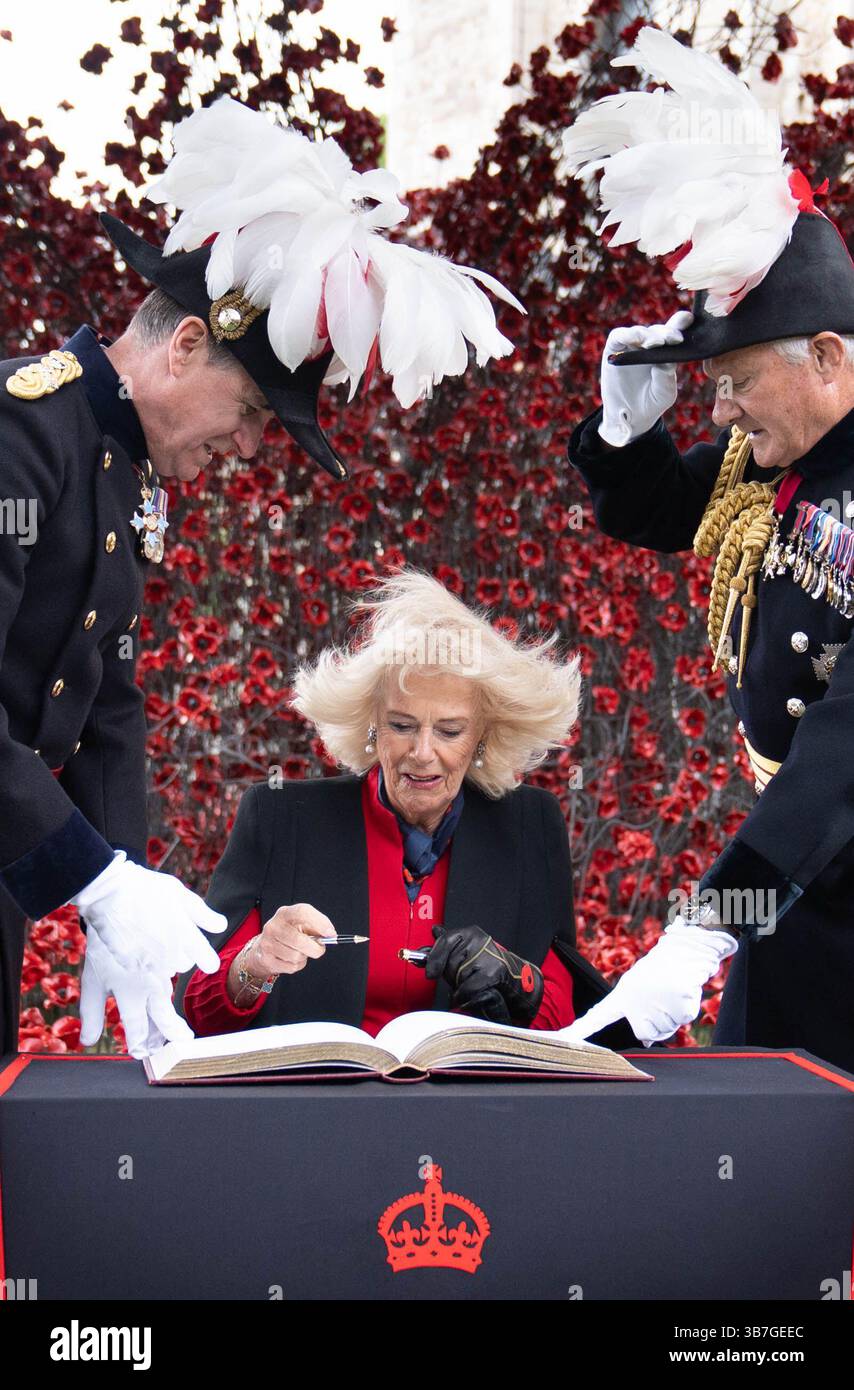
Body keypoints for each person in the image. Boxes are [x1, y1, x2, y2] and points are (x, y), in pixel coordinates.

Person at [0, 96, 521, 1060]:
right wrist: (95, 883)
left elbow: (108, 708)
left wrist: (114, 883)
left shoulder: (115, 467)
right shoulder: (22, 435)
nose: (246, 446)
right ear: (186, 343)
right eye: (246, 410)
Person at [560, 28, 854, 1070]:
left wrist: (709, 918)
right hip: (796, 880)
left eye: (735, 380)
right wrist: (621, 431)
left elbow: (839, 752)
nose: (719, 409)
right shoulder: (770, 458)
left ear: (825, 356)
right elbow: (653, 510)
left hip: (809, 848)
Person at [177, 570, 632, 1046]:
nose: (422, 752)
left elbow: (565, 1017)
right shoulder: (280, 819)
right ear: (372, 725)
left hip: (473, 1105)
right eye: (401, 725)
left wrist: (517, 980)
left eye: (450, 731)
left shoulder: (528, 826)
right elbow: (196, 1008)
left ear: (482, 737)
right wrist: (256, 962)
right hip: (319, 1105)